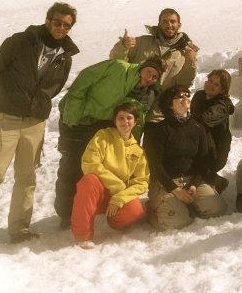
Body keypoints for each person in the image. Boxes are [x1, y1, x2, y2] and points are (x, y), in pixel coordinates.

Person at [0, 2, 79, 244]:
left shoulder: (65, 57)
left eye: (67, 25)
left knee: (27, 177)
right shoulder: (20, 41)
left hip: (35, 122)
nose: (61, 28)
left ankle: (19, 229)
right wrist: (11, 96)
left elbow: (55, 86)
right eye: (58, 22)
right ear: (48, 20)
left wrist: (38, 103)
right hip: (7, 118)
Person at [53, 57, 163, 228]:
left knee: (98, 167)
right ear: (142, 66)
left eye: (155, 76)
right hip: (77, 120)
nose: (150, 77)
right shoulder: (118, 67)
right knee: (71, 166)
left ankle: (92, 208)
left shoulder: (143, 92)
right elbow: (83, 80)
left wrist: (132, 142)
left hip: (102, 123)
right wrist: (72, 114)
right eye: (149, 71)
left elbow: (135, 118)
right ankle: (66, 214)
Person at [142, 86, 227, 230]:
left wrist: (194, 184)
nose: (185, 99)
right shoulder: (159, 130)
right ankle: (151, 208)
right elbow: (155, 165)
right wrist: (175, 190)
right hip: (165, 182)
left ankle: (184, 203)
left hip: (190, 180)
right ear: (169, 104)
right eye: (180, 96)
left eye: (187, 95)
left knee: (217, 209)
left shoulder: (198, 128)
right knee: (177, 222)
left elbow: (203, 161)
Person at [71, 102, 149, 248]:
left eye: (129, 118)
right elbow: (90, 163)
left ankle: (113, 219)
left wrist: (120, 198)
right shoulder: (103, 136)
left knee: (135, 210)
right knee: (89, 180)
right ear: (115, 121)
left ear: (135, 121)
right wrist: (117, 185)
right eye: (120, 118)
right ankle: (83, 235)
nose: (125, 121)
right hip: (98, 190)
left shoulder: (138, 150)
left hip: (116, 196)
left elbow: (142, 181)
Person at [111, 8, 198, 91]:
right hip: (132, 96)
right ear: (159, 24)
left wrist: (190, 62)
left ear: (179, 25)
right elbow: (117, 63)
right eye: (164, 21)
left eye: (172, 21)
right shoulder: (141, 42)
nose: (169, 25)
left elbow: (184, 84)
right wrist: (123, 47)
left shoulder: (186, 52)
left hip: (160, 103)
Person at [190, 69, 234, 192]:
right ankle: (210, 178)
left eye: (216, 84)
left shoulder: (223, 105)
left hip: (216, 152)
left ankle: (213, 180)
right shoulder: (199, 95)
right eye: (210, 81)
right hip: (200, 145)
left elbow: (204, 119)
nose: (210, 85)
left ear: (222, 89)